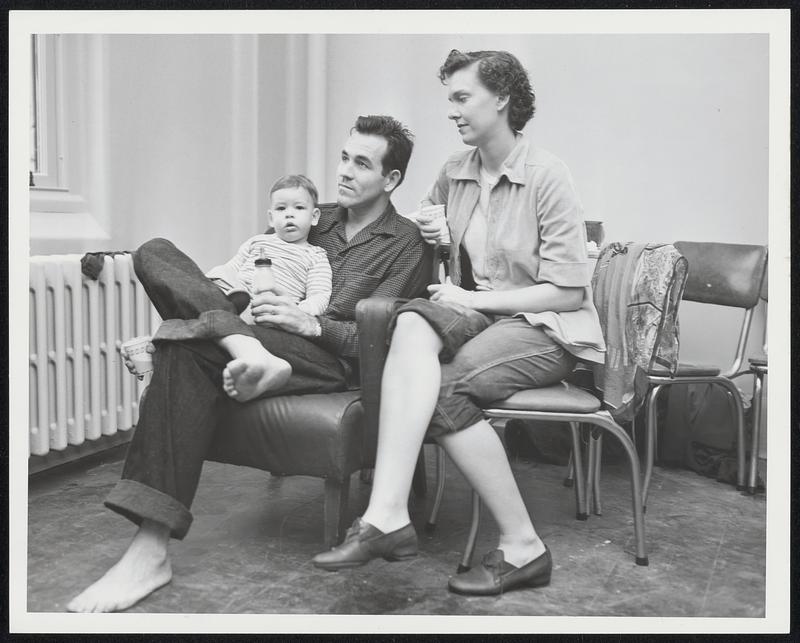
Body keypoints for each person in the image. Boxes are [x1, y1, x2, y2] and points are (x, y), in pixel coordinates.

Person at [67, 114, 433, 613]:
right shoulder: (306, 212)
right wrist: (222, 296)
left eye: (361, 164)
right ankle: (244, 348)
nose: (344, 171)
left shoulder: (407, 244)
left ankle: (148, 552)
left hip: (323, 358)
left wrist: (312, 325)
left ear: (391, 179)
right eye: (344, 157)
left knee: (181, 345)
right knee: (154, 252)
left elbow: (381, 338)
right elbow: (248, 272)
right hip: (256, 333)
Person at [312, 50, 606, 596]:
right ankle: (388, 513)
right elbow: (433, 245)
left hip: (547, 328)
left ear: (503, 100)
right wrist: (436, 238)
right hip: (480, 313)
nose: (452, 110)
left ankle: (523, 547)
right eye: (450, 98)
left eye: (462, 97)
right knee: (409, 326)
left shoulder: (547, 176)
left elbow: (567, 291)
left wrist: (472, 298)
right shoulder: (454, 171)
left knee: (443, 392)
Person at [206, 174, 332, 323]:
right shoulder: (257, 242)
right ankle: (230, 303)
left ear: (314, 217)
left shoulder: (315, 256)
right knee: (219, 271)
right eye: (281, 208)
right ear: (271, 218)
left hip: (272, 309)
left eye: (299, 207)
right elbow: (231, 269)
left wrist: (300, 312)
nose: (289, 214)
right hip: (238, 296)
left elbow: (319, 295)